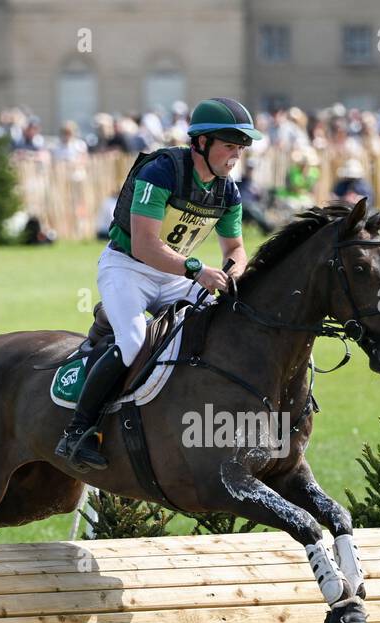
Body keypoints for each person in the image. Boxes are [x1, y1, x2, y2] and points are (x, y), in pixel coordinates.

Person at [54, 97, 259, 472]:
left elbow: (236, 248)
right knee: (133, 341)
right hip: (128, 267)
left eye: (240, 148)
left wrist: (234, 269)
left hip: (175, 275)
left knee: (223, 325)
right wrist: (198, 270)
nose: (235, 156)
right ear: (201, 143)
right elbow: (145, 245)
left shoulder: (228, 191)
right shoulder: (162, 171)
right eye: (229, 146)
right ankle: (78, 431)